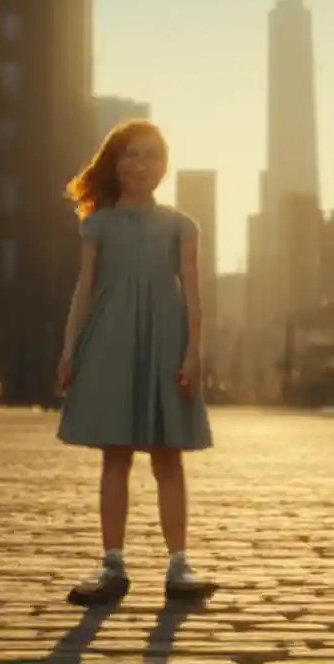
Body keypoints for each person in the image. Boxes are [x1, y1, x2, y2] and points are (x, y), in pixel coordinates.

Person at [56, 119, 217, 607]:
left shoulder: (182, 226)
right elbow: (83, 289)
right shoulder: (97, 224)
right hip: (109, 339)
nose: (139, 164)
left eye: (149, 155)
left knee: (168, 454)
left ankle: (179, 565)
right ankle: (111, 564)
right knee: (115, 454)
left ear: (164, 166)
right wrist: (68, 350)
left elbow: (193, 294)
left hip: (164, 340)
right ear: (115, 163)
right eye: (130, 154)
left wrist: (193, 351)